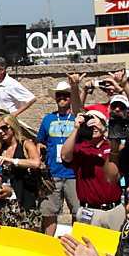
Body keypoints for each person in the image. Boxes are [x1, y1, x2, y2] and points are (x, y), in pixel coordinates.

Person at [61, 109, 125, 231]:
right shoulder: (80, 148)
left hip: (114, 209)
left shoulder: (112, 146)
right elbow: (65, 156)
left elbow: (124, 151)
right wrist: (76, 129)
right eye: (89, 123)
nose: (93, 127)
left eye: (96, 122)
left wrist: (104, 130)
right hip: (89, 210)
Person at [37, 80, 82, 236]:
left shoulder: (77, 118)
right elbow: (40, 142)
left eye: (66, 95)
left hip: (73, 174)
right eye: (59, 95)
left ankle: (76, 244)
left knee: (78, 212)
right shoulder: (48, 119)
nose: (62, 98)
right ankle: (47, 246)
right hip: (53, 173)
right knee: (49, 213)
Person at [0, 111, 42, 230]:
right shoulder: (0, 148)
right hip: (6, 202)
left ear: (13, 127)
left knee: (26, 238)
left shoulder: (26, 144)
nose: (1, 132)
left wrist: (13, 161)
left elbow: (36, 162)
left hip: (25, 199)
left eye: (4, 128)